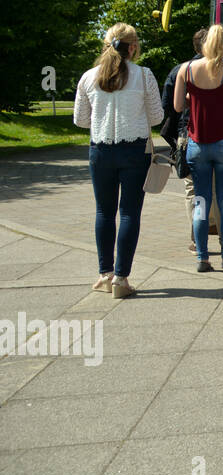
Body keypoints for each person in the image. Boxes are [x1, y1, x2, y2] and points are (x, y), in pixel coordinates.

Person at [73, 23, 164, 298]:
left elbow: (80, 120)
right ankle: (122, 279)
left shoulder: (89, 77)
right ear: (133, 47)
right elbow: (157, 117)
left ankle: (104, 274)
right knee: (129, 213)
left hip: (100, 151)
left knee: (104, 212)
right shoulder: (143, 75)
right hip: (135, 150)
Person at [173, 25, 223, 272]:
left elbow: (176, 106)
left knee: (201, 201)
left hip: (198, 142)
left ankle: (202, 258)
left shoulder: (187, 69)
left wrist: (194, 100)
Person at [161, 28, 214, 252]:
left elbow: (167, 108)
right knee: (218, 188)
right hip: (218, 137)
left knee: (193, 189)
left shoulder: (179, 70)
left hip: (188, 135)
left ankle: (196, 237)